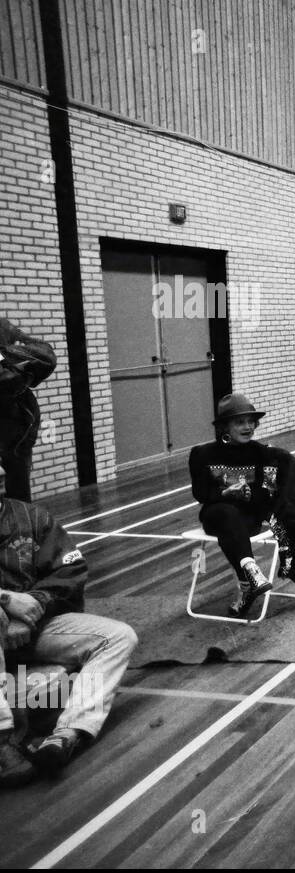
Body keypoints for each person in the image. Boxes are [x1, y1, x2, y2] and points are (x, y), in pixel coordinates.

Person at [0, 463, 138, 787]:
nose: (2, 474)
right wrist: (7, 603)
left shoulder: (32, 519)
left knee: (119, 637)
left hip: (35, 627)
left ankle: (66, 735)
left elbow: (70, 572)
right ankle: (3, 741)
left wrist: (33, 605)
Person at [188, 394, 281, 616]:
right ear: (224, 427)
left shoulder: (266, 453)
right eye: (240, 422)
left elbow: (271, 492)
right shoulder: (201, 454)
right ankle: (251, 575)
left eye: (251, 421)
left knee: (233, 521)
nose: (248, 427)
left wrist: (250, 496)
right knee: (226, 512)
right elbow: (200, 493)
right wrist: (224, 493)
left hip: (249, 517)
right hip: (216, 515)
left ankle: (248, 581)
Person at [0, 317, 57, 503]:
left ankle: (20, 530)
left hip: (15, 433)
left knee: (18, 494)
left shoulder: (5, 338)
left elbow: (46, 357)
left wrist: (7, 351)